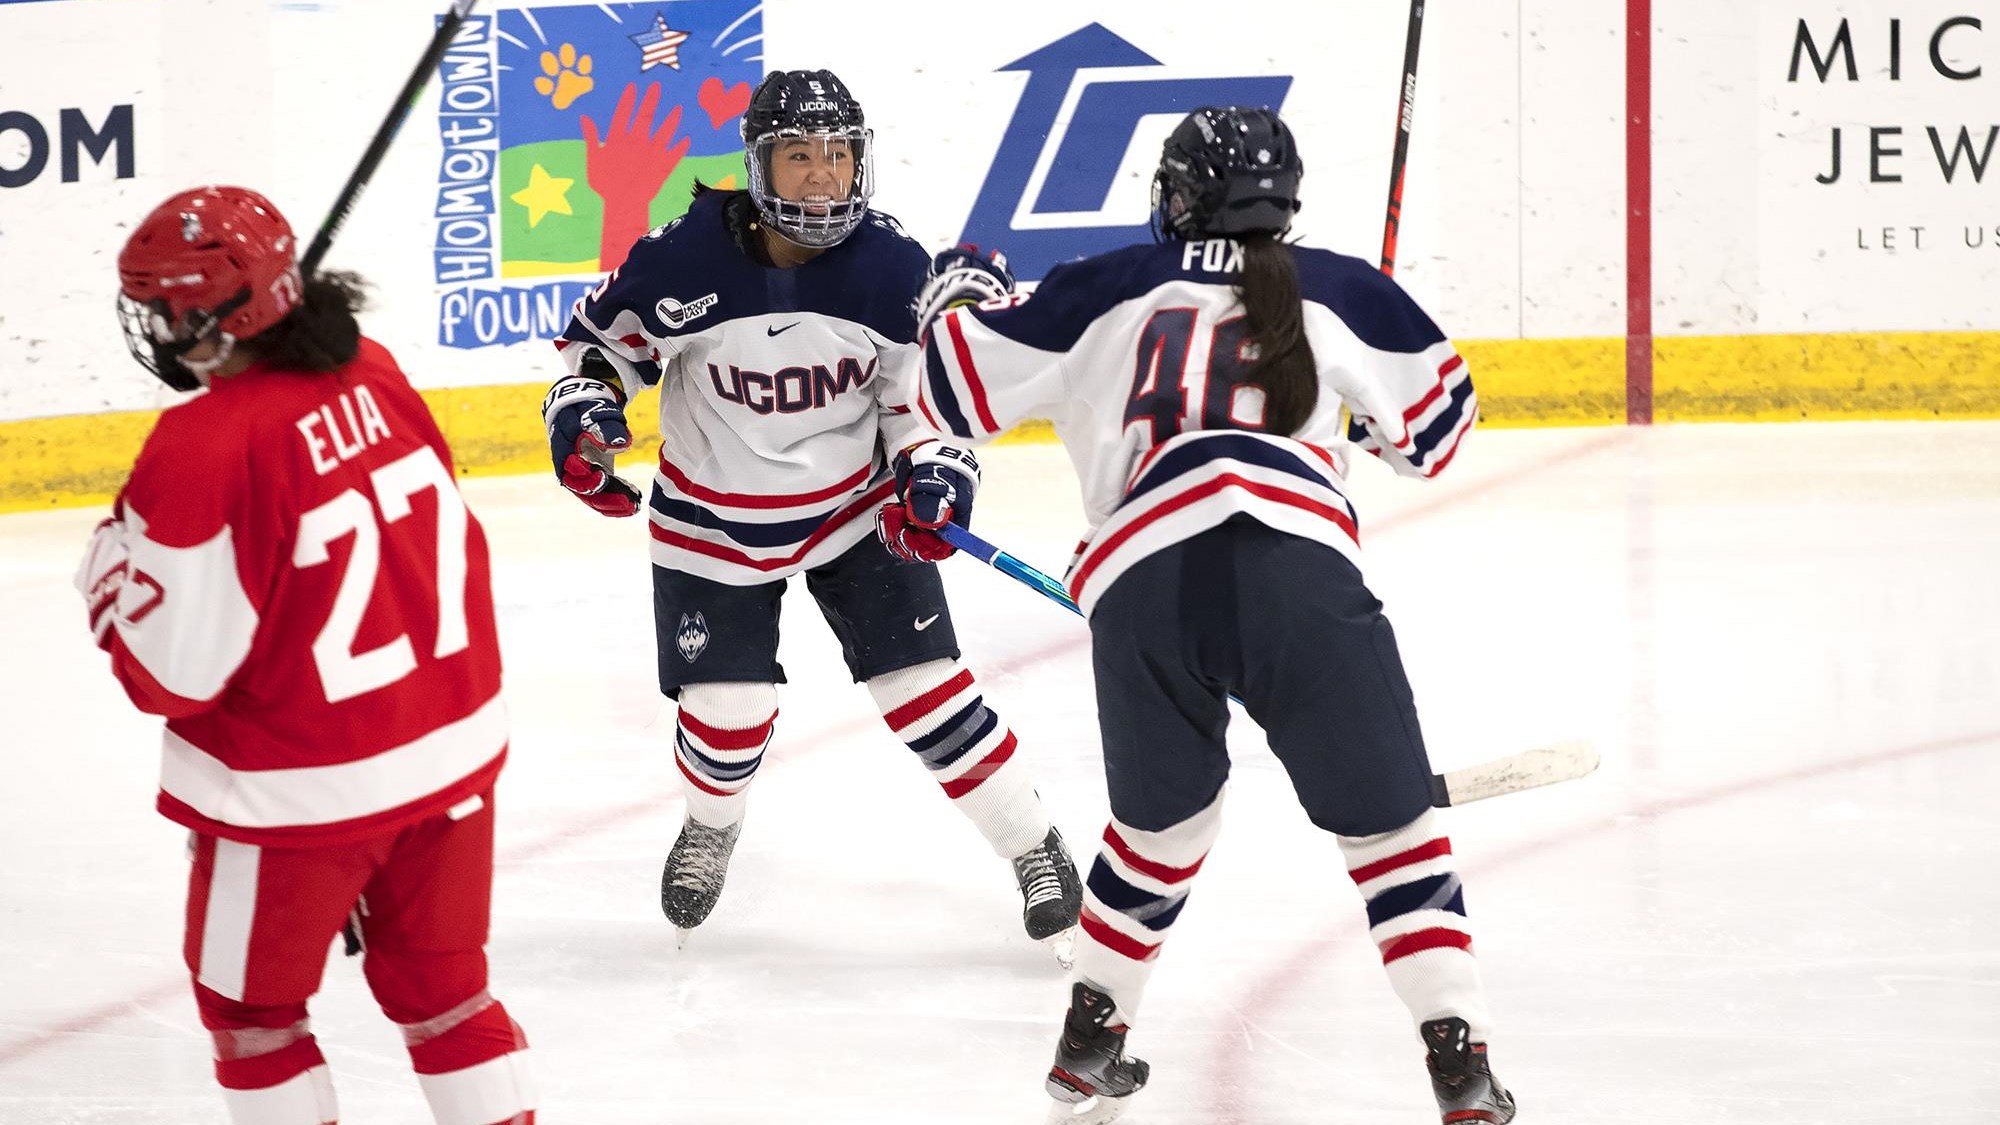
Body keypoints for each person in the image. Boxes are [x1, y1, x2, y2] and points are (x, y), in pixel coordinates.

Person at [906, 107, 1516, 1123]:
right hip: (1299, 577)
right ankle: (1459, 1061)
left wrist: (964, 293)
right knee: (1390, 830)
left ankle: (1089, 1042)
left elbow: (946, 386)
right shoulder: (1338, 287)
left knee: (1160, 828)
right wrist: (1362, 411)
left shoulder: (1101, 285)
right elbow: (1442, 433)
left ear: (1178, 197)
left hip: (1144, 590)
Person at [542, 69, 1082, 948]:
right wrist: (585, 410)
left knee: (925, 691)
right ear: (758, 166)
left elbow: (923, 398)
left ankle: (1034, 844)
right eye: (799, 156)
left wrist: (932, 471)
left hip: (854, 514)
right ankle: (711, 824)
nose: (824, 176)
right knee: (728, 716)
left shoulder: (891, 268)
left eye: (839, 154)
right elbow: (602, 345)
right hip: (711, 523)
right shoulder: (683, 259)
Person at [79, 186, 536, 1125]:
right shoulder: (374, 368)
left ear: (215, 316)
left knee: (253, 1018)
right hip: (450, 752)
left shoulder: (203, 444)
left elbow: (172, 674)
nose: (153, 326)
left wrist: (107, 573)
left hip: (299, 792)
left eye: (162, 306)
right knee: (450, 999)